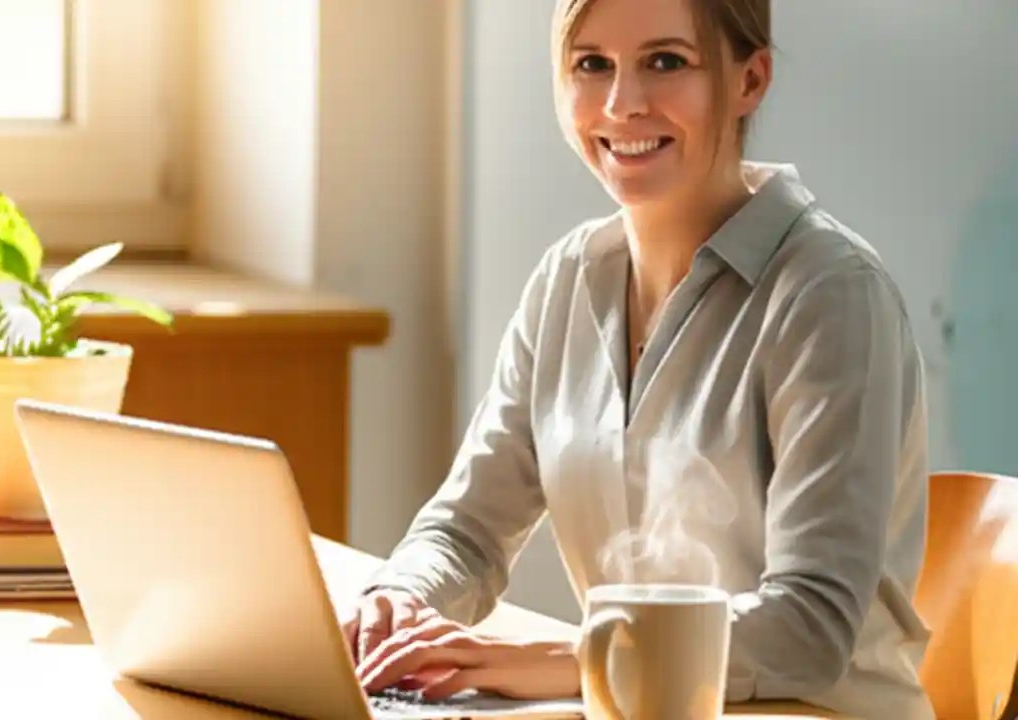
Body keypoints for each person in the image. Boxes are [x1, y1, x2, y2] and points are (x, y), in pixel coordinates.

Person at [341, 0, 936, 718]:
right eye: (592, 65)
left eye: (666, 62)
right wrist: (396, 600)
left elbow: (810, 627)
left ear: (750, 80)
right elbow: (466, 532)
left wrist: (573, 659)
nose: (623, 104)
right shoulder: (568, 280)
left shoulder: (831, 296)